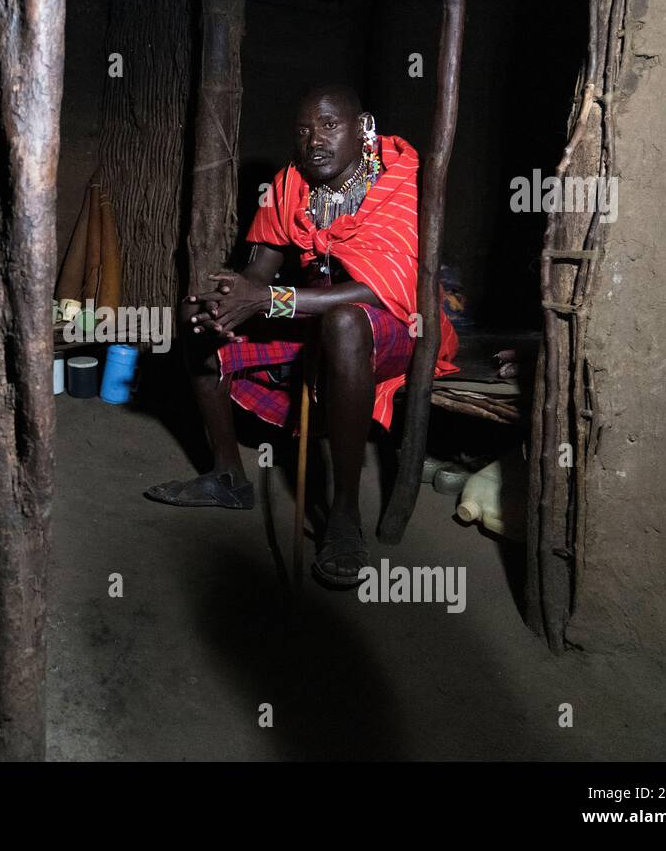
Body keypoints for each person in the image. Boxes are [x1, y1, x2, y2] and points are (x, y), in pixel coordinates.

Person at [145, 84, 458, 586]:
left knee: (345, 322)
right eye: (304, 130)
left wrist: (269, 300)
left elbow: (383, 289)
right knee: (193, 315)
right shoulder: (289, 183)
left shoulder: (398, 176)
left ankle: (343, 514)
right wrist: (231, 298)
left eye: (330, 125)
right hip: (316, 316)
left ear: (363, 126)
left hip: (396, 324)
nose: (315, 140)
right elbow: (260, 272)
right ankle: (227, 476)